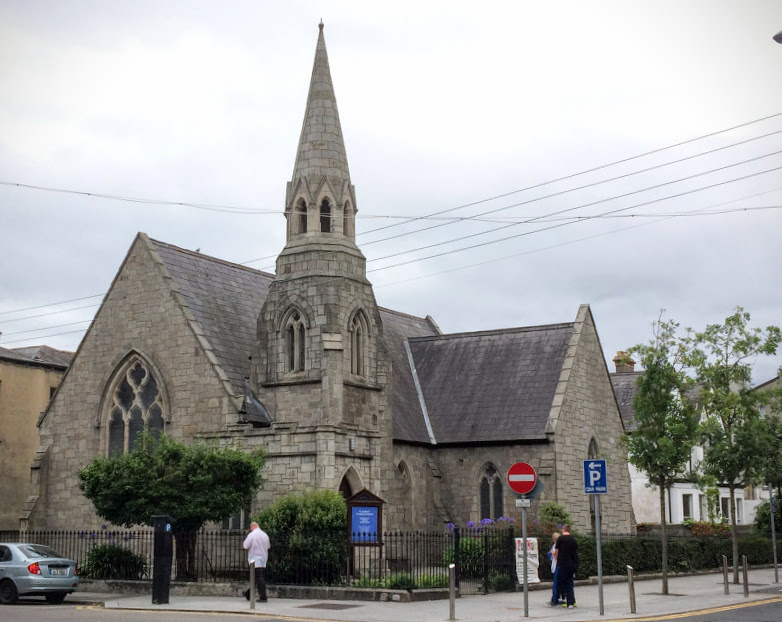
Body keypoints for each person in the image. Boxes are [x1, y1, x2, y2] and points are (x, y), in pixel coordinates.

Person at [242, 521, 271, 602]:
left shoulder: (252, 535)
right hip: (263, 559)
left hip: (254, 560)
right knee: (256, 578)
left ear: (252, 527)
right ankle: (248, 594)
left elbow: (245, 546)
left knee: (259, 578)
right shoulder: (265, 535)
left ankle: (263, 597)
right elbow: (268, 547)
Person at [554, 524, 578, 608]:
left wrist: (556, 559)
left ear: (563, 530)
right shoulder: (573, 540)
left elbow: (556, 551)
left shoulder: (560, 539)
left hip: (562, 563)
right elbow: (575, 553)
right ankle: (570, 602)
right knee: (569, 582)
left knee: (560, 581)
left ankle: (560, 599)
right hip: (572, 564)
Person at [547, 531, 563, 606]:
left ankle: (555, 599)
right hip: (558, 566)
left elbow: (553, 555)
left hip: (557, 566)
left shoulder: (556, 546)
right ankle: (559, 597)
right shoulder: (557, 546)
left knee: (557, 584)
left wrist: (551, 554)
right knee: (560, 583)